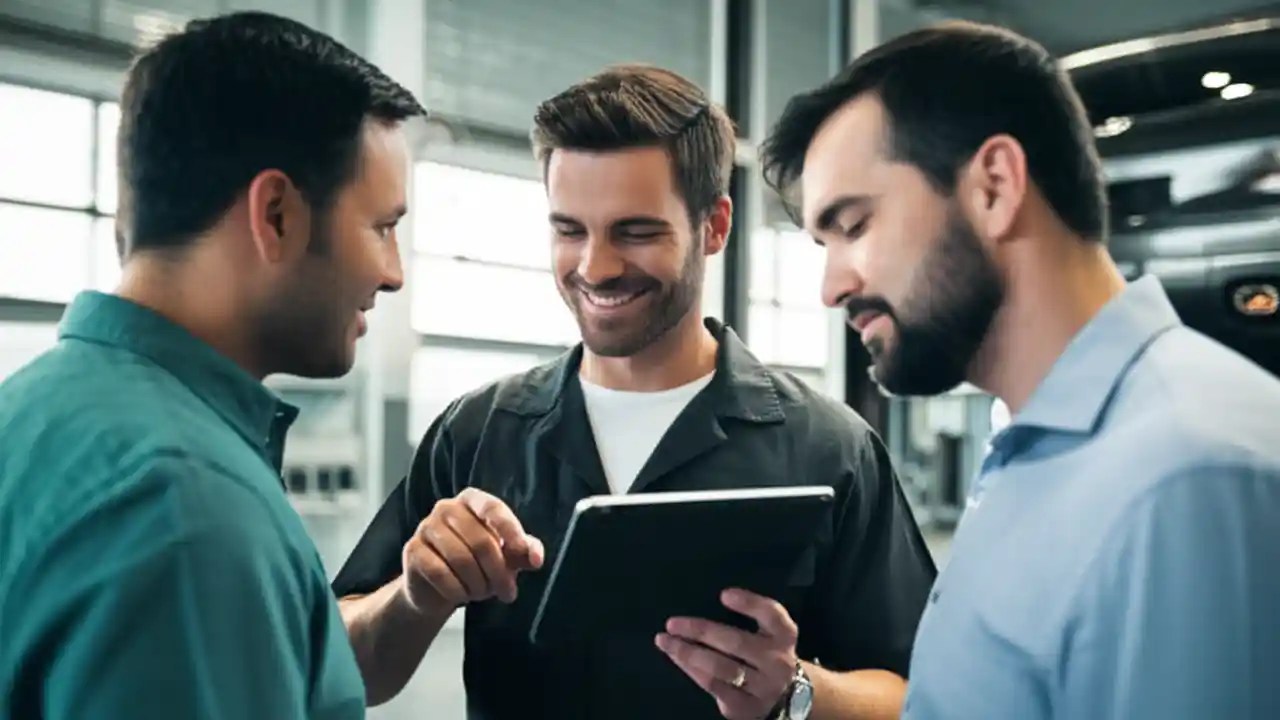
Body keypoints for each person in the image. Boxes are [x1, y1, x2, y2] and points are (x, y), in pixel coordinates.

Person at [332, 64, 936, 720]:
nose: (596, 266)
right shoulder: (479, 433)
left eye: (636, 232)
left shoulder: (830, 448)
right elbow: (343, 672)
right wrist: (415, 596)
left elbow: (920, 695)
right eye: (570, 230)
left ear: (714, 226)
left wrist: (796, 692)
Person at [761, 20, 1280, 720]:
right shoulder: (1040, 446)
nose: (831, 287)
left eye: (853, 226)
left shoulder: (1189, 473)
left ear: (995, 187)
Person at [0, 12, 424, 719]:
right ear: (278, 215)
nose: (393, 274)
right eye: (382, 227)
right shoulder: (189, 507)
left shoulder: (29, 414)